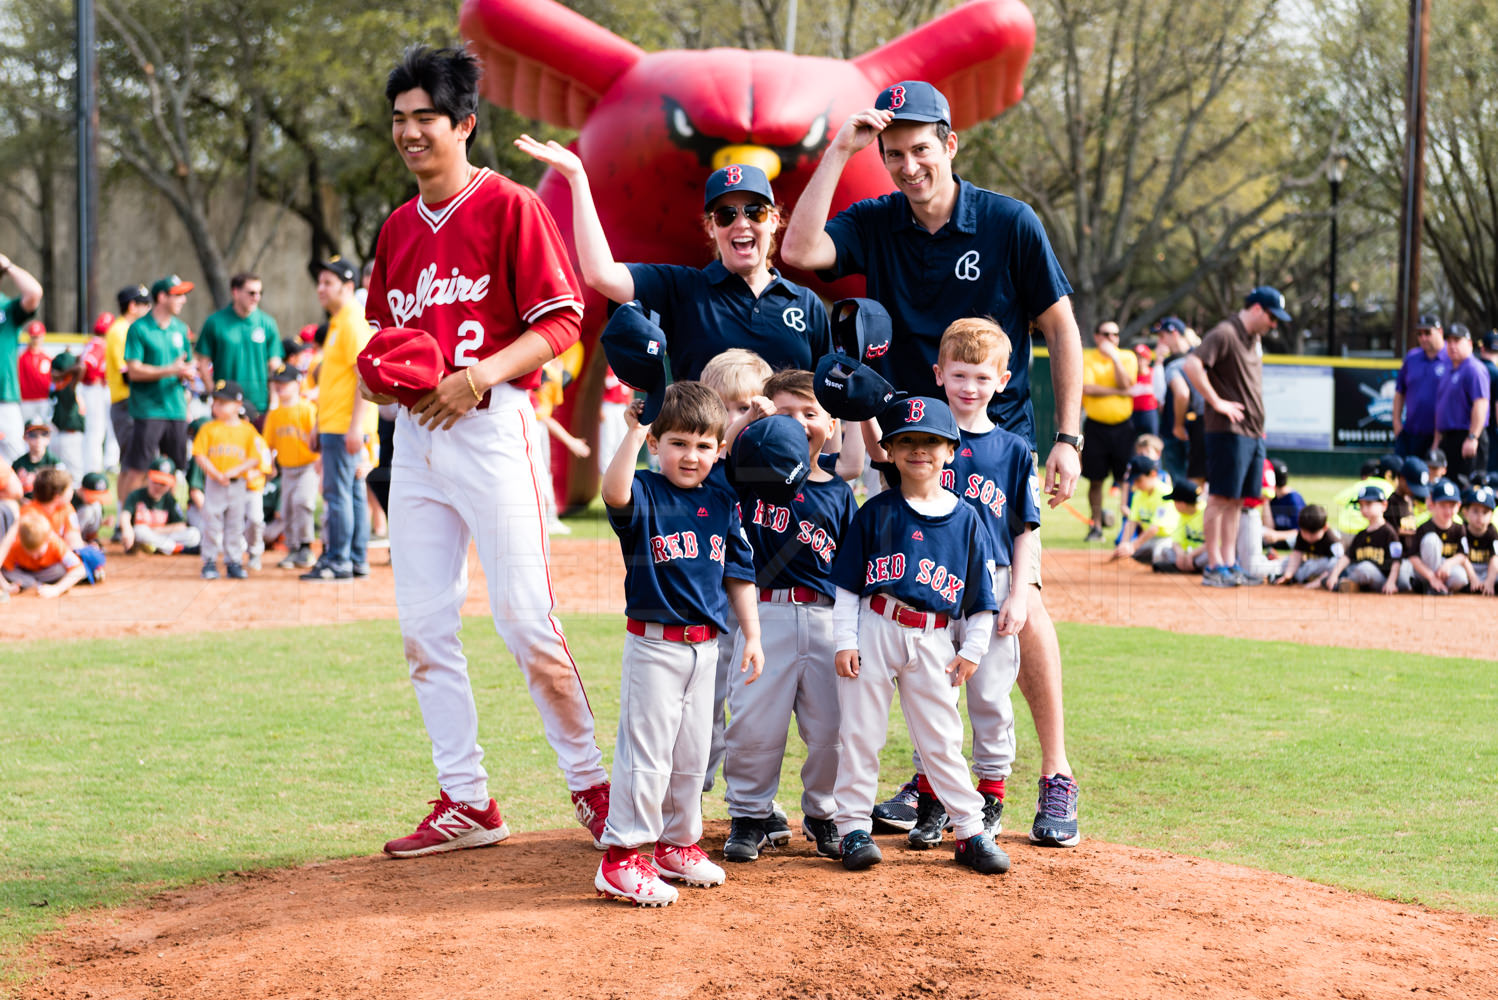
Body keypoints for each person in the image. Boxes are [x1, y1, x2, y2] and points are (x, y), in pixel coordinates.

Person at [781, 78, 1086, 849]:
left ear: (950, 144)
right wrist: (840, 150)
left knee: (1023, 605)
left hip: (992, 444)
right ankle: (938, 774)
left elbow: (1061, 326)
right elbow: (801, 248)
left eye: (921, 149)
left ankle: (1055, 774)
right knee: (924, 605)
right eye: (894, 154)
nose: (909, 165)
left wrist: (1068, 436)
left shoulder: (1009, 223)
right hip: (910, 449)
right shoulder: (879, 220)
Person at [364, 46, 611, 856]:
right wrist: (376, 377)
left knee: (524, 619)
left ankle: (593, 784)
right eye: (399, 119)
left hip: (492, 425)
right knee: (424, 628)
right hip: (416, 443)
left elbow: (563, 317)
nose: (409, 133)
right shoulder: (398, 228)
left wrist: (479, 376)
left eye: (424, 119)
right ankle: (467, 799)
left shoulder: (508, 207)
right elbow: (383, 336)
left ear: (463, 124)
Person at [593, 382, 762, 906]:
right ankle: (621, 857)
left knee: (693, 751)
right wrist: (634, 428)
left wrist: (752, 634)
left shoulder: (720, 497)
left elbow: (738, 571)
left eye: (703, 446)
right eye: (678, 444)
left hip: (706, 647)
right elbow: (613, 492)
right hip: (655, 646)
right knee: (647, 754)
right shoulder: (645, 492)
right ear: (656, 445)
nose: (691, 456)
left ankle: (676, 843)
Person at [828, 396, 1010, 875]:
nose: (918, 450)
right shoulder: (875, 511)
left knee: (942, 738)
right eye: (906, 441)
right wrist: (845, 640)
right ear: (888, 450)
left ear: (950, 450)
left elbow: (981, 599)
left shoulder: (968, 519)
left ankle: (970, 830)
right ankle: (852, 829)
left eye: (930, 441)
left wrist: (972, 648)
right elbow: (847, 586)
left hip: (934, 638)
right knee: (860, 733)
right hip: (876, 625)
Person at [882, 318, 1039, 849]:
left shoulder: (1014, 450)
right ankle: (932, 797)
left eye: (981, 376)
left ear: (1003, 380)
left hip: (990, 583)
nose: (969, 387)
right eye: (958, 376)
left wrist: (1019, 593)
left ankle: (989, 794)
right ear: (938, 375)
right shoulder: (922, 439)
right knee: (931, 695)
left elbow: (1025, 531)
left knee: (991, 695)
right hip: (932, 580)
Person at [514, 141, 831, 382]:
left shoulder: (805, 304)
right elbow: (600, 275)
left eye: (754, 211)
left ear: (774, 220)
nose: (741, 223)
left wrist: (829, 465)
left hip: (789, 465)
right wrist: (577, 178)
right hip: (703, 463)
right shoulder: (683, 289)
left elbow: (820, 397)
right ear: (710, 227)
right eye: (726, 214)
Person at [720, 371, 855, 865]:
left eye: (809, 413)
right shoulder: (749, 477)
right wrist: (750, 423)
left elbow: (851, 575)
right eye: (784, 413)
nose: (796, 423)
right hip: (764, 616)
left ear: (831, 425)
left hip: (824, 620)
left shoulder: (839, 493)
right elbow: (723, 457)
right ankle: (750, 814)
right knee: (754, 726)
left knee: (830, 729)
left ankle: (823, 813)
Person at [1181, 286, 1289, 587]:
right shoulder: (1226, 333)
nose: (1274, 324)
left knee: (1238, 500)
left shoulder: (1253, 338)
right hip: (1228, 431)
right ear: (1256, 309)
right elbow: (1192, 364)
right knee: (1219, 498)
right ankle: (1215, 566)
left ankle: (1229, 563)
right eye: (1271, 316)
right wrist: (1216, 402)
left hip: (1252, 432)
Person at [300, 257, 375, 581]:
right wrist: (319, 423)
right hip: (337, 424)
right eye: (319, 282)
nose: (320, 289)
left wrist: (355, 426)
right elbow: (335, 382)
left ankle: (338, 560)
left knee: (338, 494)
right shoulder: (339, 322)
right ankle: (355, 559)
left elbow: (365, 377)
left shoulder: (351, 322)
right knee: (352, 493)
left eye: (328, 283)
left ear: (347, 286)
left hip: (344, 426)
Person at [121, 275, 197, 513]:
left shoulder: (180, 329)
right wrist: (170, 370)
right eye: (178, 294)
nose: (183, 300)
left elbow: (186, 365)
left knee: (172, 469)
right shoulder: (139, 328)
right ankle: (125, 519)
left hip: (175, 408)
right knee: (137, 468)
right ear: (162, 297)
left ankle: (167, 517)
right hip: (148, 409)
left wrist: (186, 375)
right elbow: (133, 370)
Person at [191, 380, 264, 581]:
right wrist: (215, 473)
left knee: (235, 525)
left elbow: (254, 458)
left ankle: (234, 561)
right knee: (212, 523)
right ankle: (209, 561)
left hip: (238, 484)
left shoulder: (247, 430)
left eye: (224, 402)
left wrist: (234, 471)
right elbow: (199, 454)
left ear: (238, 405)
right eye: (216, 401)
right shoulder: (208, 428)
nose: (218, 406)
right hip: (214, 484)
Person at [195, 272, 284, 424]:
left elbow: (274, 365)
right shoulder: (215, 322)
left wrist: (274, 401)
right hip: (226, 405)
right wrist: (214, 394)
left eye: (259, 293)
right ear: (235, 292)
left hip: (259, 404)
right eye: (251, 293)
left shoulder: (267, 323)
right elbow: (202, 363)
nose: (256, 297)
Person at [1079, 320, 1137, 540]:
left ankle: (1127, 529)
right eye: (1106, 334)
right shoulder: (1088, 357)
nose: (1111, 338)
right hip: (1096, 427)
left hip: (1123, 428)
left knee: (1126, 480)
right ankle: (1096, 527)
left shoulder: (1127, 357)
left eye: (1115, 334)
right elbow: (1088, 389)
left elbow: (1126, 384)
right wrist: (1118, 391)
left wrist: (1113, 357)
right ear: (1097, 336)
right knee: (1095, 480)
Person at [261, 366, 319, 568]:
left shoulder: (307, 409)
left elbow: (317, 439)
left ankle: (305, 547)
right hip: (286, 469)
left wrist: (320, 461)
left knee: (302, 502)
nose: (280, 386)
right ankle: (293, 548)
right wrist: (269, 464)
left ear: (298, 384)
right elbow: (268, 444)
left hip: (308, 466)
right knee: (286, 509)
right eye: (278, 383)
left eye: (285, 383)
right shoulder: (275, 414)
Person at [106, 284, 152, 510]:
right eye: (145, 304)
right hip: (127, 402)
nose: (149, 308)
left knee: (134, 463)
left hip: (134, 403)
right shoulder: (120, 330)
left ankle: (126, 514)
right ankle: (125, 516)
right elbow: (127, 373)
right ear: (132, 306)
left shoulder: (129, 329)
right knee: (132, 465)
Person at [0, 251, 43, 463]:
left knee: (14, 461)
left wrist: (8, 266)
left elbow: (34, 292)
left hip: (4, 398)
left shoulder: (6, 308)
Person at [1432, 324, 1490, 483]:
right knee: (1448, 486)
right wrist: (1437, 441)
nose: (1452, 346)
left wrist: (1473, 437)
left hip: (1467, 435)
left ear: (1469, 343)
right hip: (1448, 438)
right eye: (1448, 341)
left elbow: (1481, 404)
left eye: (1457, 340)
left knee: (1468, 487)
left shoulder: (1474, 369)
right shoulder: (1447, 369)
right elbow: (1441, 407)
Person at [1324, 485, 1407, 594]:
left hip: (1382, 580)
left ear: (1384, 505)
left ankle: (1346, 582)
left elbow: (1396, 561)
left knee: (1365, 568)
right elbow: (1347, 557)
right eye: (1361, 505)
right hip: (1362, 573)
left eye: (1368, 504)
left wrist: (1391, 582)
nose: (1364, 509)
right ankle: (1342, 582)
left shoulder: (1389, 533)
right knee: (1335, 563)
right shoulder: (1362, 534)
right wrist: (1334, 574)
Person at [117, 456, 200, 555]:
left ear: (170, 484)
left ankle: (160, 548)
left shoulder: (169, 499)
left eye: (163, 483)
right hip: (144, 536)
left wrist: (157, 531)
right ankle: (178, 549)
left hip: (161, 536)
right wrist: (127, 529)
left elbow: (181, 525)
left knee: (194, 534)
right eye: (155, 481)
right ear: (148, 477)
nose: (158, 486)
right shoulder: (136, 495)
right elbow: (125, 515)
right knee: (139, 531)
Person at [1156, 317, 1205, 486]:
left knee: (1184, 486)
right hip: (1200, 425)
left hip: (1182, 428)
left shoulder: (1177, 363)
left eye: (1162, 336)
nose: (1160, 341)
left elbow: (1182, 394)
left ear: (1173, 333)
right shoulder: (1200, 355)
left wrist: (1177, 425)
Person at [1392, 314, 1448, 459]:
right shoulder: (1411, 358)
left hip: (1443, 435)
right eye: (1419, 334)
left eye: (1428, 333)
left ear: (1440, 331)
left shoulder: (1451, 358)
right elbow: (1399, 392)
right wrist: (1397, 424)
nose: (1423, 338)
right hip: (1412, 433)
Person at [1, 509, 87, 598]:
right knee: (6, 571)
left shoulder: (55, 543)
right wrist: (7, 587)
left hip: (48, 572)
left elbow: (80, 569)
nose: (34, 557)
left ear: (47, 540)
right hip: (26, 575)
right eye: (30, 553)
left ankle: (39, 586)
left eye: (38, 553)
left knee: (61, 569)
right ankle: (36, 586)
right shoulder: (16, 546)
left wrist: (57, 589)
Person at [1406, 478, 1468, 594]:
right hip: (1425, 570)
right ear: (1433, 505)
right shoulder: (1424, 527)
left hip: (1445, 570)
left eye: (1452, 505)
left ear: (1459, 506)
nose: (1448, 510)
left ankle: (1438, 587)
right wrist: (1431, 576)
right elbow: (1413, 557)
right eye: (1443, 505)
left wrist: (1448, 564)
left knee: (1461, 578)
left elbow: (1463, 554)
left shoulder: (1459, 528)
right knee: (1431, 539)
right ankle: (1431, 585)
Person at [1113, 456, 1177, 566]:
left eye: (1139, 480)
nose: (1136, 485)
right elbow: (1132, 521)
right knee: (1133, 553)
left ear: (1153, 474)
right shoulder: (1139, 494)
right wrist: (1124, 544)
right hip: (1151, 539)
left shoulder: (1165, 493)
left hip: (1168, 538)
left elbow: (1154, 528)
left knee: (1159, 557)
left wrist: (1133, 546)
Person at [80, 313, 116, 473]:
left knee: (107, 427)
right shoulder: (98, 345)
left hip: (100, 388)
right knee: (96, 429)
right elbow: (85, 365)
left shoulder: (96, 344)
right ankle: (94, 466)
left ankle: (107, 462)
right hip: (95, 389)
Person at [1274, 505, 1342, 587]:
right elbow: (1296, 554)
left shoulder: (1332, 540)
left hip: (1329, 571)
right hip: (1310, 565)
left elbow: (1339, 563)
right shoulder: (1301, 536)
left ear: (1325, 527)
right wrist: (1288, 575)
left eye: (1312, 533)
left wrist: (1317, 582)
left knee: (1320, 564)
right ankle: (1291, 577)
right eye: (1304, 532)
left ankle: (1311, 579)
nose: (1307, 537)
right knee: (1287, 561)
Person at [1151, 480, 1208, 574]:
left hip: (1200, 554)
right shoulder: (1183, 514)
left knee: (1209, 556)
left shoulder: (1206, 513)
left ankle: (1185, 567)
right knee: (1165, 551)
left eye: (1174, 501)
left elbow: (1212, 544)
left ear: (1182, 504)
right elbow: (1176, 541)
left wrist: (1191, 555)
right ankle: (1191, 567)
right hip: (1187, 555)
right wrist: (1180, 554)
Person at [48, 352, 87, 479]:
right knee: (56, 474)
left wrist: (62, 374)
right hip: (59, 434)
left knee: (74, 474)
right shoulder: (58, 385)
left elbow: (81, 367)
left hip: (70, 435)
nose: (54, 374)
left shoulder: (70, 384)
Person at [1457, 484, 1496, 594]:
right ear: (1465, 513)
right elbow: (1462, 557)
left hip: (1486, 571)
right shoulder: (1462, 529)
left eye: (1485, 512)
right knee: (1458, 576)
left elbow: (1495, 558)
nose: (1480, 517)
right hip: (1468, 571)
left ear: (1491, 515)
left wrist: (1490, 581)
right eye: (1475, 511)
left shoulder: (1492, 531)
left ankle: (1485, 586)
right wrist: (1473, 578)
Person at [11, 420, 62, 496]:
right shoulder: (18, 464)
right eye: (33, 435)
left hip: (47, 503)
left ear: (49, 438)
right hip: (25, 504)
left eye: (44, 434)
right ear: (25, 437)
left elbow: (61, 491)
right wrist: (21, 500)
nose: (39, 439)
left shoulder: (55, 463)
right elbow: (12, 490)